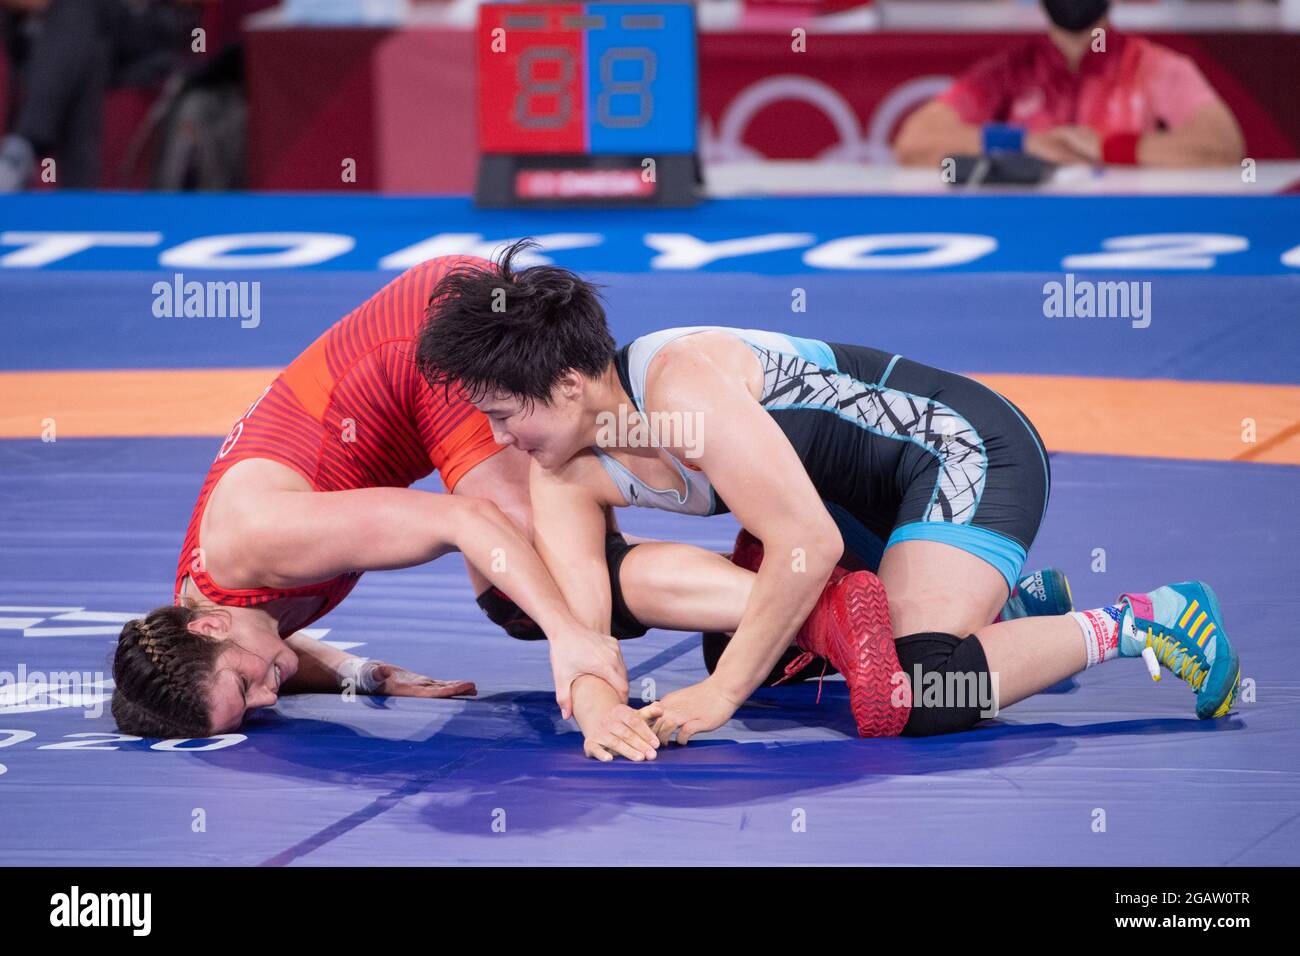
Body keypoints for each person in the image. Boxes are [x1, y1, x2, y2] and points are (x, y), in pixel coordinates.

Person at [417, 239, 1242, 758]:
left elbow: (804, 545)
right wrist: (600, 710)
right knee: (765, 651)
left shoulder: (682, 385)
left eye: (502, 415)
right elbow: (587, 631)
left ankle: (1143, 620)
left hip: (957, 452)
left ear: (567, 383)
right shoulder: (563, 471)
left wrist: (721, 698)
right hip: (861, 510)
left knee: (917, 692)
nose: (497, 441)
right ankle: (1010, 605)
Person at [112, 256, 635, 741]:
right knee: (531, 591)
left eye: (247, 688)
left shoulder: (254, 539)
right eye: (250, 709)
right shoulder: (204, 623)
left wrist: (567, 634)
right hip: (413, 363)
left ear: (208, 628)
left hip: (432, 337)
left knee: (547, 574)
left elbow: (468, 521)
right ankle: (714, 584)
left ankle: (716, 601)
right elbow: (270, 652)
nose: (269, 697)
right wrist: (364, 675)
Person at [893, 0, 1245, 168]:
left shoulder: (1154, 67)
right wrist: (1023, 143)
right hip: (1030, 243)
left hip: (1126, 236)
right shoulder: (1007, 73)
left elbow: (1223, 147)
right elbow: (915, 142)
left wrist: (1107, 149)